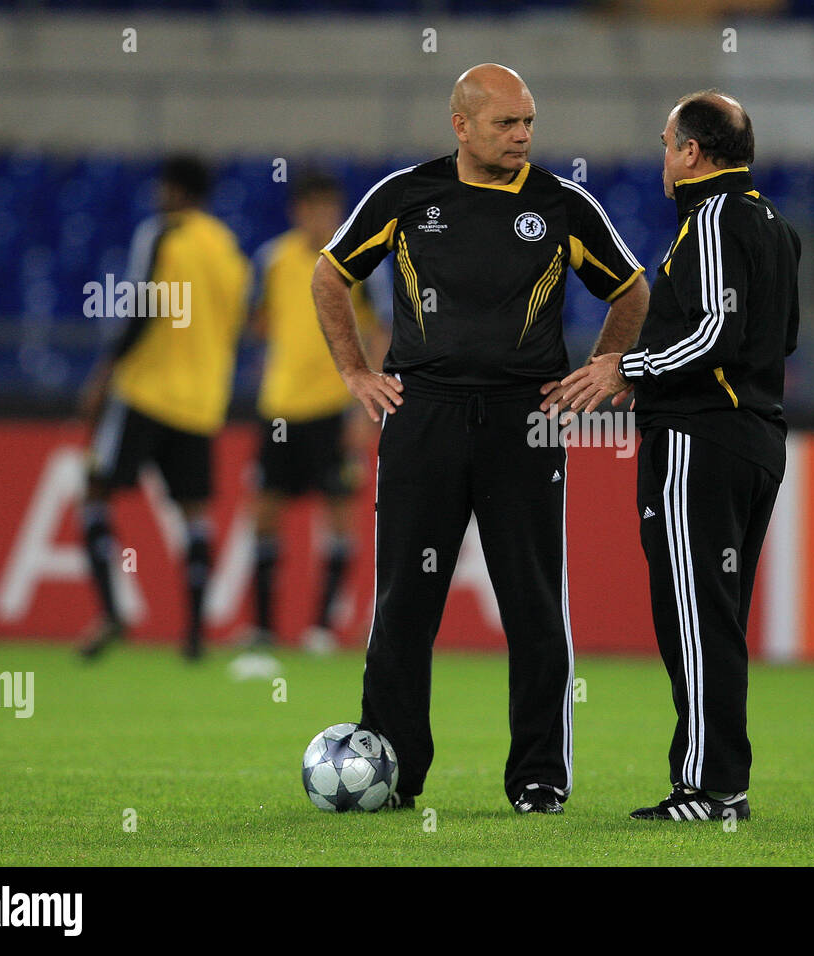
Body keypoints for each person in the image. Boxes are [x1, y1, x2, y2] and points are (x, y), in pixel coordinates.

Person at [311, 64, 649, 813]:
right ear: (461, 125)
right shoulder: (404, 197)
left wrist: (604, 370)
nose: (524, 135)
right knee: (402, 605)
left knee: (532, 605)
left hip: (523, 421)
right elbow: (330, 276)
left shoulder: (561, 205)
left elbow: (631, 288)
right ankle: (394, 772)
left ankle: (539, 778)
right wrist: (354, 372)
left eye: (529, 121)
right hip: (422, 415)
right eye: (507, 123)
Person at [557, 90, 801, 822]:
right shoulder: (774, 225)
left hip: (702, 440)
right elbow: (776, 340)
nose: (662, 156)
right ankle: (725, 782)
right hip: (756, 438)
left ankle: (708, 788)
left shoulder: (716, 218)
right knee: (715, 617)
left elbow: (711, 338)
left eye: (668, 142)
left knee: (694, 618)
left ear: (691, 151)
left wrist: (625, 369)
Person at [78, 155, 250, 661]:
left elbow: (139, 308)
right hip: (201, 403)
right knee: (194, 514)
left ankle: (110, 611)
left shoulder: (161, 234)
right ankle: (194, 636)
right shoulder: (227, 251)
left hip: (145, 392)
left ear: (174, 190)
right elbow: (234, 325)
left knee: (95, 491)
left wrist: (104, 374)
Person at [232, 171, 387, 679]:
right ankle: (262, 629)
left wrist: (371, 403)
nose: (322, 218)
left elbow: (381, 329)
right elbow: (258, 322)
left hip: (334, 408)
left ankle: (322, 628)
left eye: (330, 209)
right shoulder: (272, 260)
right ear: (298, 210)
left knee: (339, 512)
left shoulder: (358, 262)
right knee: (265, 512)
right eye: (313, 208)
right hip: (278, 407)